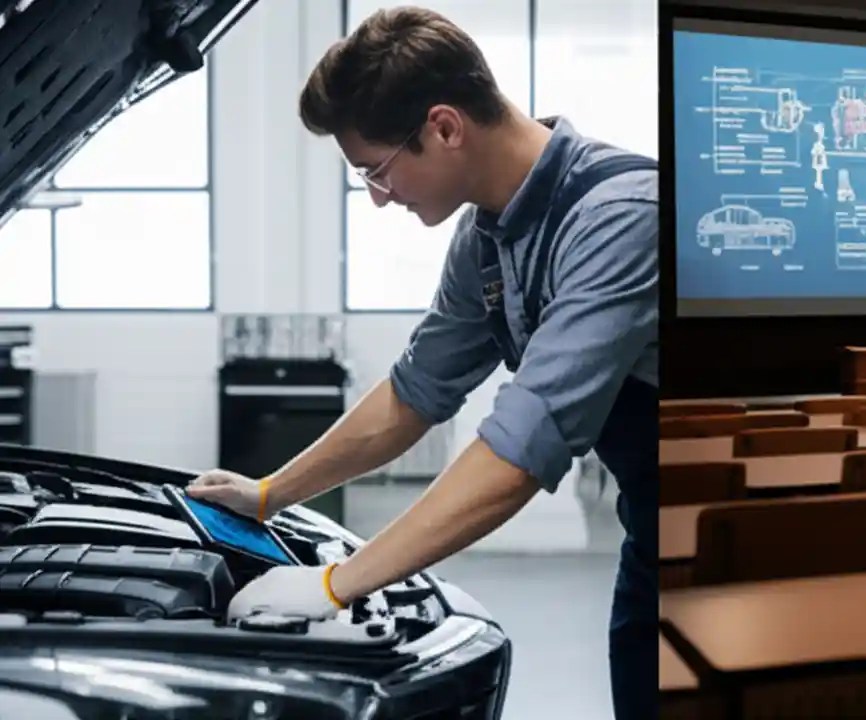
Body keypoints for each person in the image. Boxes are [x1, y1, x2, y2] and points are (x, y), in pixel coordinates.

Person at [185, 8, 657, 719]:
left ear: (443, 127)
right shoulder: (486, 238)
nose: (378, 196)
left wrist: (336, 585)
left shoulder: (623, 216)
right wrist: (270, 494)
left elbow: (522, 449)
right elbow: (415, 392)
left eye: (376, 170)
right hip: (655, 542)